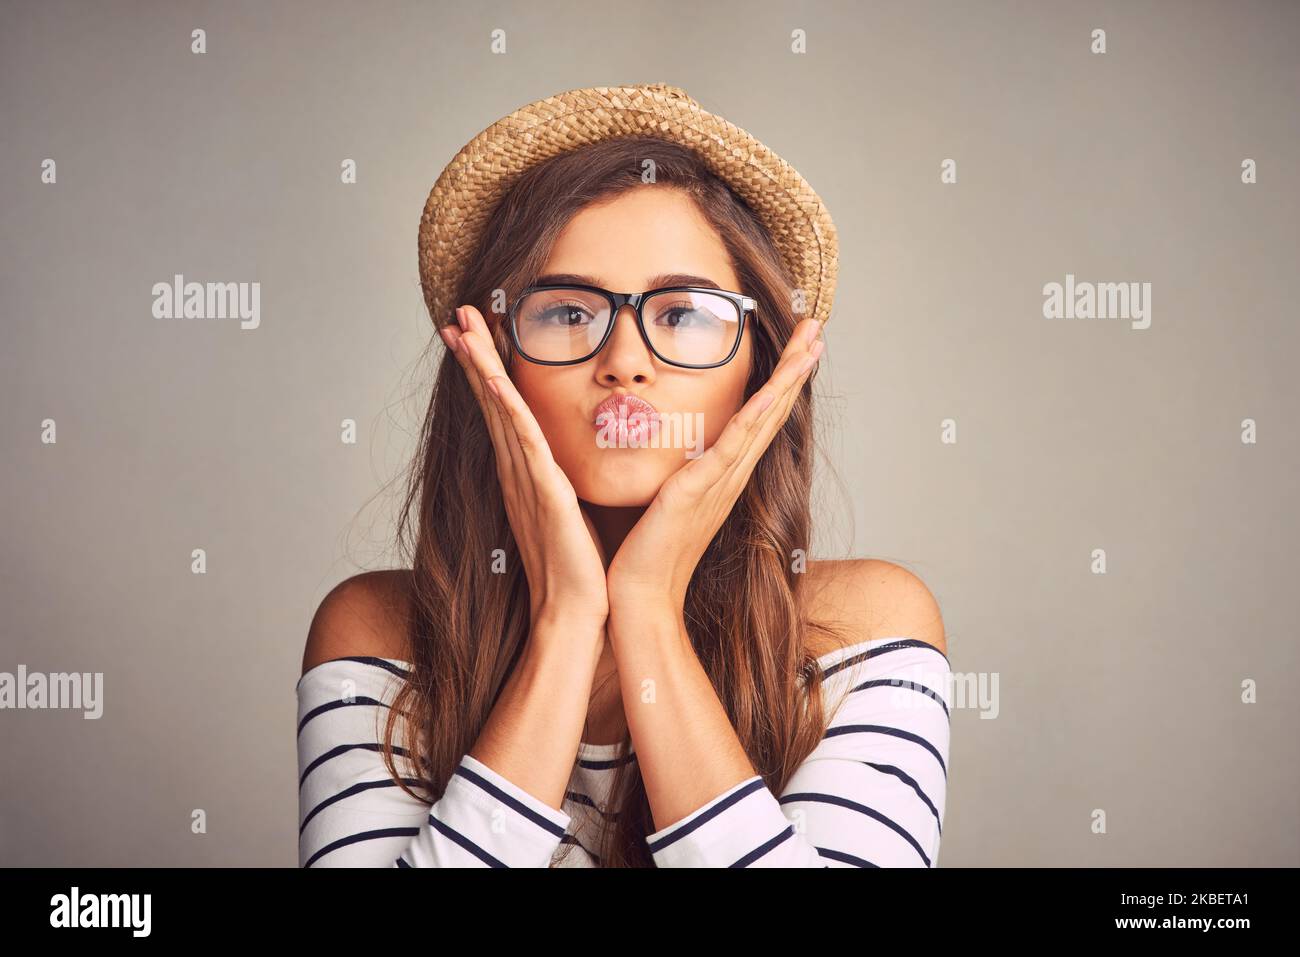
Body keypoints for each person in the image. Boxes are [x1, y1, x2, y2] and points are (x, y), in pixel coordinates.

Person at [297, 84, 951, 867]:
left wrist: (646, 609)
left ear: (760, 367)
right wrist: (565, 624)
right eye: (568, 312)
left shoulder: (862, 632)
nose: (625, 364)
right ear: (489, 361)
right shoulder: (377, 634)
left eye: (682, 313)